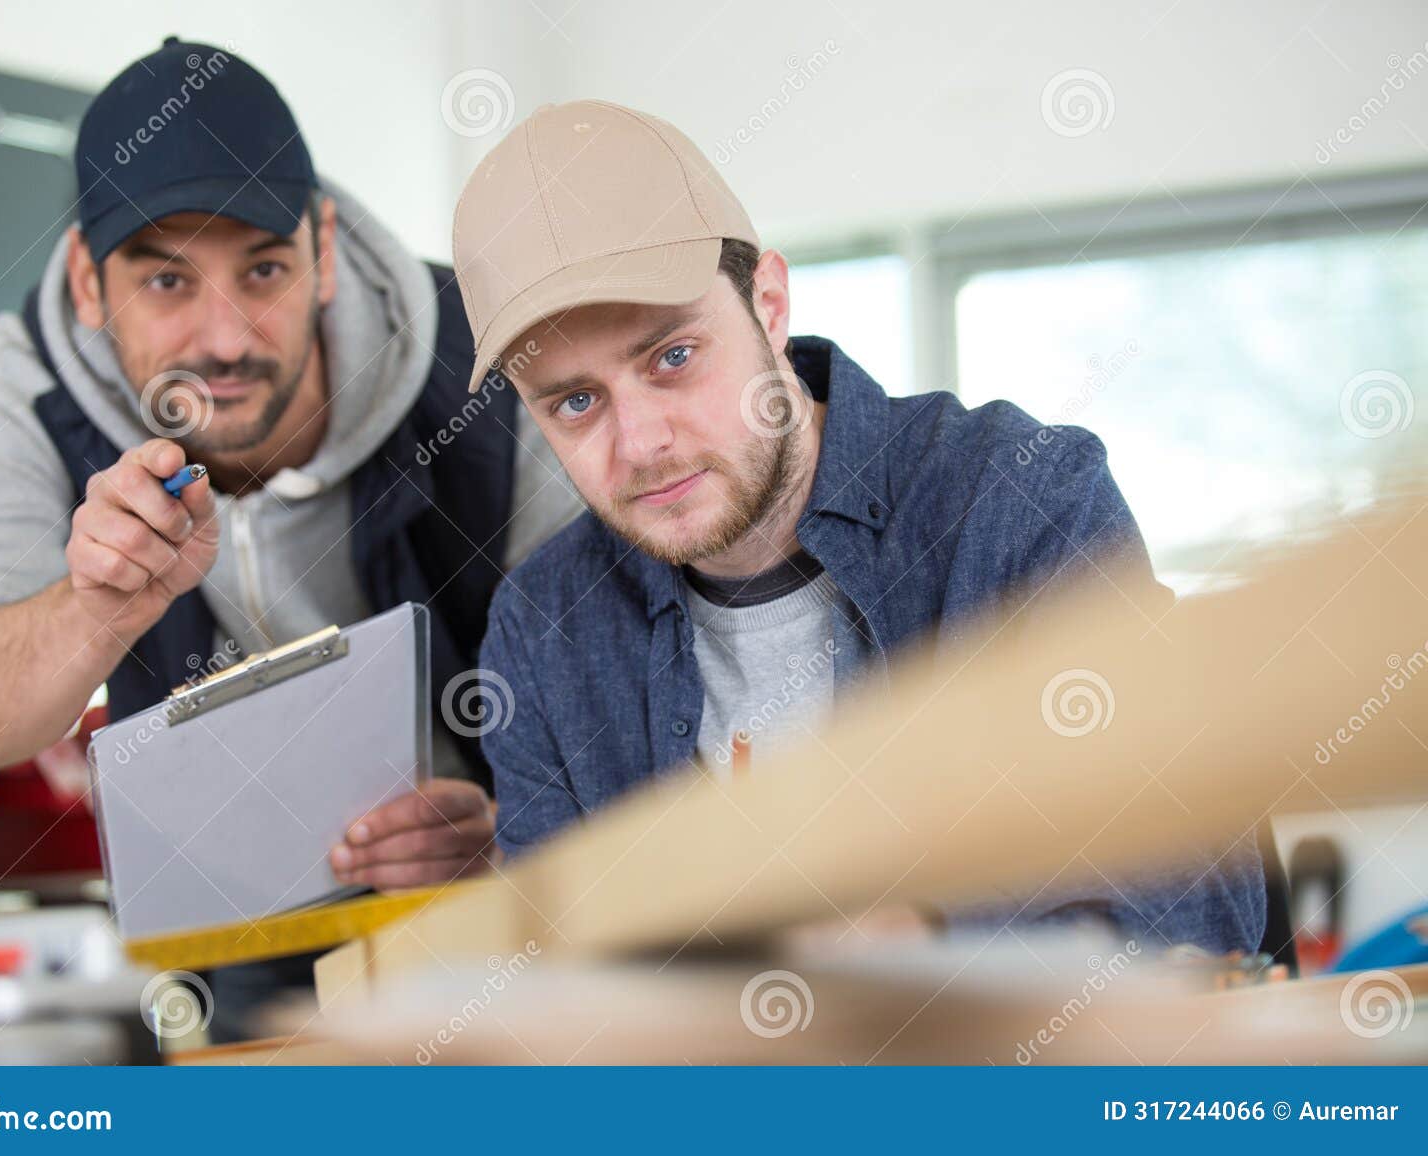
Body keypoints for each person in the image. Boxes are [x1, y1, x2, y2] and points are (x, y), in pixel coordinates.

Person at [0, 40, 578, 1037]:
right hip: (220, 932)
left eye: (264, 269)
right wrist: (95, 608)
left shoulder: (492, 364)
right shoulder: (11, 396)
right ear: (87, 283)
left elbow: (625, 688)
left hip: (500, 912)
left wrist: (513, 833)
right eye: (167, 282)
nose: (226, 338)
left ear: (322, 248)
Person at [450, 100, 1265, 954]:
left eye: (673, 357)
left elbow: (1199, 904)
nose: (642, 443)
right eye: (576, 402)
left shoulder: (1022, 500)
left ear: (769, 305)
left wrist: (919, 936)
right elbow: (558, 978)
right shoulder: (541, 629)